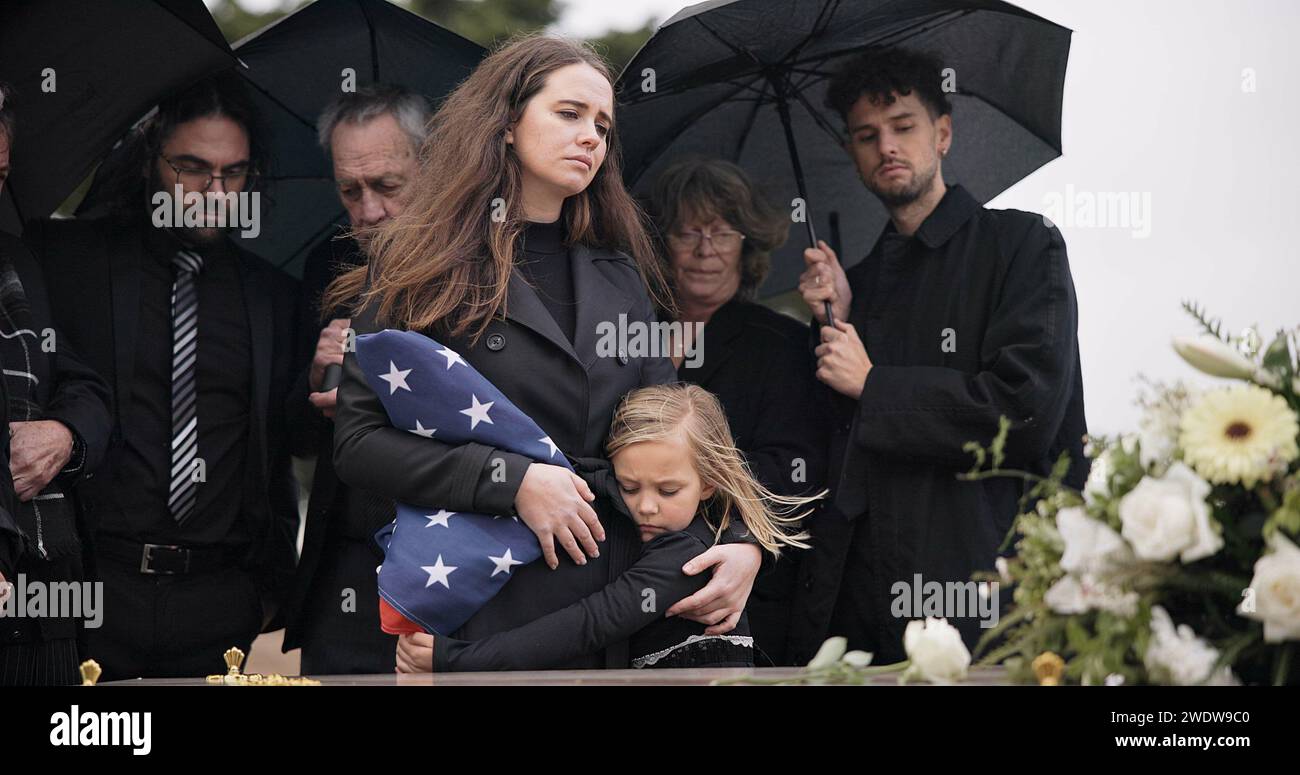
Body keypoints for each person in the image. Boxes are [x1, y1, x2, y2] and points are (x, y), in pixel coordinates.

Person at [328, 34, 766, 673]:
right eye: (569, 114)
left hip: (620, 599)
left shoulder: (621, 273)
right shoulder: (415, 265)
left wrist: (744, 543)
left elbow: (674, 434)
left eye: (603, 124)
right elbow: (357, 443)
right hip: (492, 595)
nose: (592, 136)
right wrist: (514, 481)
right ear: (505, 123)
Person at [796, 46, 1088, 662]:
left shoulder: (1022, 245)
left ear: (943, 133)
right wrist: (838, 318)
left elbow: (1024, 411)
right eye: (867, 135)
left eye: (904, 126)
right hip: (868, 606)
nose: (887, 147)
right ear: (852, 152)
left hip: (996, 590)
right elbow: (834, 453)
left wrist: (876, 386)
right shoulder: (861, 284)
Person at [22, 74, 301, 681]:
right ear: (151, 160)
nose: (212, 191)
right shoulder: (64, 259)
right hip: (89, 588)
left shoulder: (276, 297)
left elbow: (289, 441)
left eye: (234, 173)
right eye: (192, 167)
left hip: (222, 600)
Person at [428, 383, 817, 671]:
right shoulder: (634, 519)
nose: (646, 506)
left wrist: (455, 658)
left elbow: (589, 623)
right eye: (628, 487)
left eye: (668, 490)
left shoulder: (690, 558)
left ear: (709, 483)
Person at [648, 157, 829, 666]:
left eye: (723, 233)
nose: (706, 250)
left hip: (744, 592)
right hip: (634, 585)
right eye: (688, 233)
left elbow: (796, 468)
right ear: (664, 243)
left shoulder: (783, 344)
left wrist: (690, 487)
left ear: (746, 244)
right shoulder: (629, 335)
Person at [282, 84, 433, 675]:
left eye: (387, 186)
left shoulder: (486, 262)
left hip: (454, 554)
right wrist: (318, 376)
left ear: (432, 165)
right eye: (351, 190)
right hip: (345, 565)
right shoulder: (329, 264)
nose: (368, 211)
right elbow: (292, 436)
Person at [0, 86, 114, 685]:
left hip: (43, 597)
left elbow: (82, 384)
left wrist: (65, 434)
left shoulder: (17, 263)